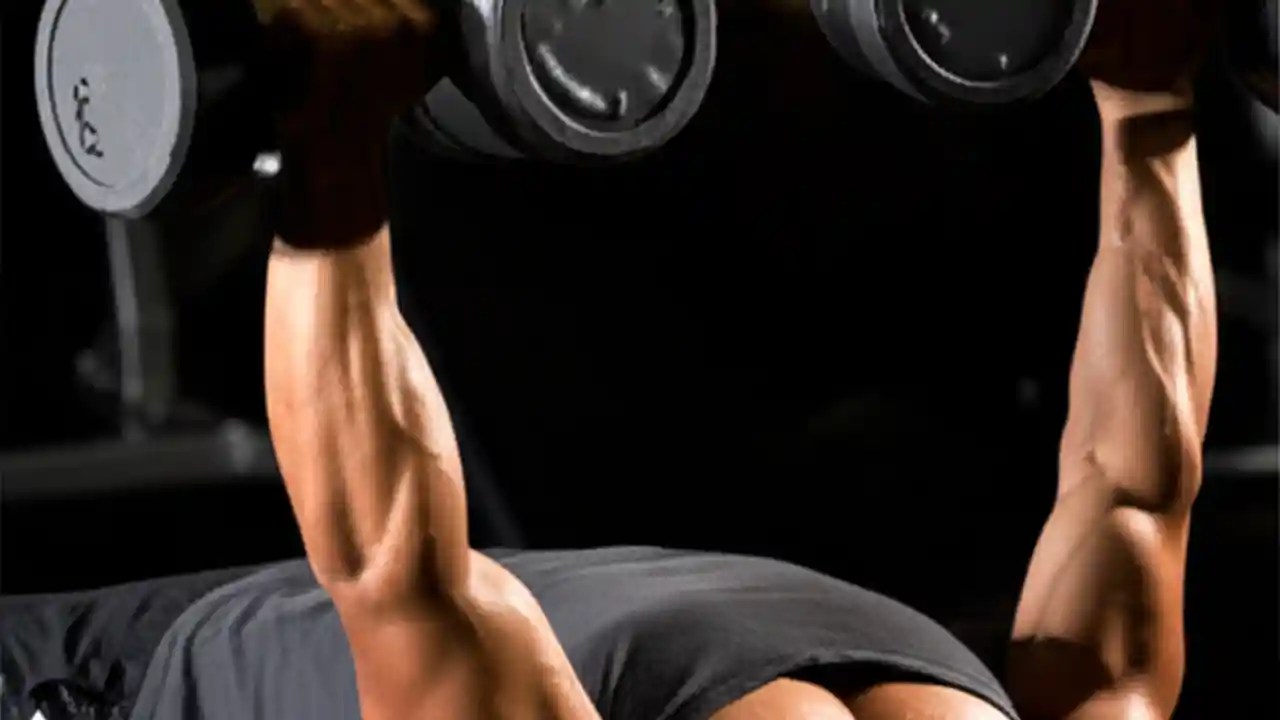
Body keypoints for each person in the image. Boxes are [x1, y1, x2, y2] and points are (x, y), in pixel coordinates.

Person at [0, 0, 1220, 718]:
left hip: (104, 677)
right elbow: (1129, 480)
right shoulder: (1087, 704)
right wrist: (1147, 110)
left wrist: (331, 155)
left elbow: (387, 560)